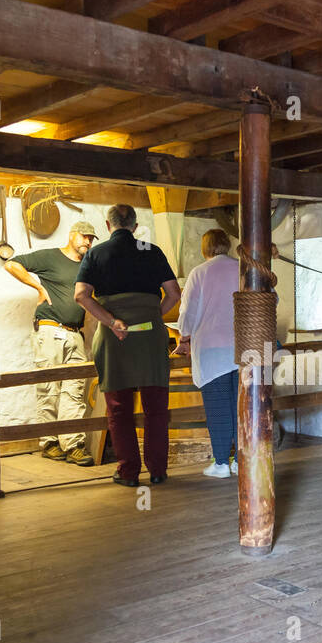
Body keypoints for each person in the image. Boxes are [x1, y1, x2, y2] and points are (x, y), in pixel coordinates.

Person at [74, 204, 181, 486]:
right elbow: (173, 292)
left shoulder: (95, 253)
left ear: (108, 227)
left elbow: (81, 296)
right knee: (155, 406)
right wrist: (152, 316)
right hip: (149, 334)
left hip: (114, 334)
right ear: (135, 227)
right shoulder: (151, 250)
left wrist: (111, 321)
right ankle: (158, 470)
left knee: (119, 408)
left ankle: (128, 472)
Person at [3, 219, 97, 467]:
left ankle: (73, 445)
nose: (87, 241)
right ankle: (50, 443)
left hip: (76, 334)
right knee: (49, 388)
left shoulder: (88, 266)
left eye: (91, 238)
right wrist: (38, 286)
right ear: (72, 235)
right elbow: (11, 264)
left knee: (75, 390)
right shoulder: (51, 257)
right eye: (84, 236)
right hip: (50, 330)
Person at [176, 229, 240, 478]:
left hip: (212, 352)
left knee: (218, 408)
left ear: (205, 249)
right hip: (243, 348)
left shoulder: (199, 273)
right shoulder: (242, 268)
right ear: (227, 245)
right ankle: (241, 461)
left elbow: (188, 314)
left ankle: (222, 463)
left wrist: (183, 334)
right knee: (240, 407)